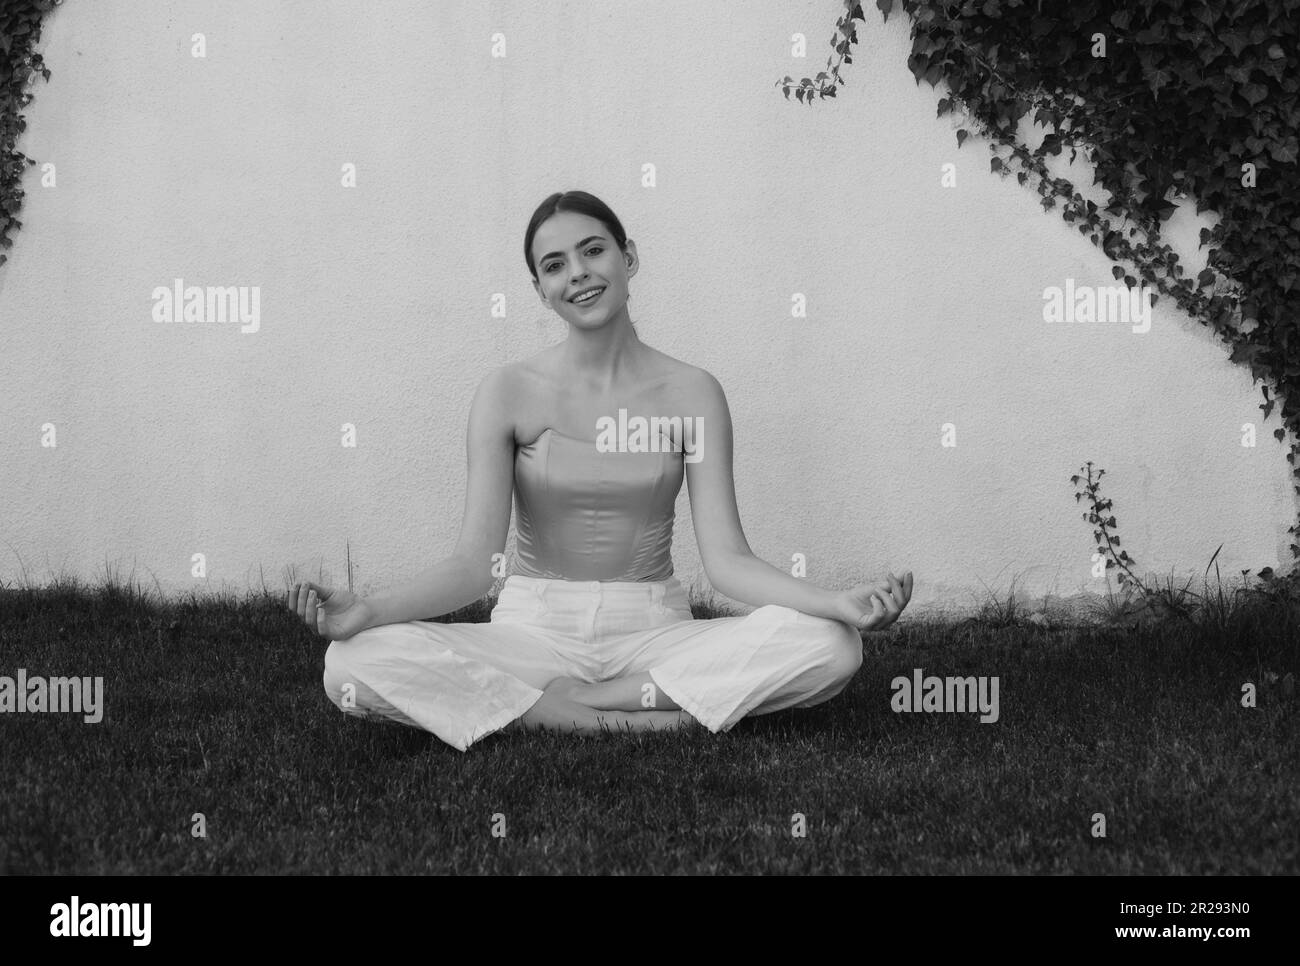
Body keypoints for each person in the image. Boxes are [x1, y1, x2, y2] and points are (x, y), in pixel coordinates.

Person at [286, 190, 913, 752]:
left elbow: (727, 562)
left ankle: (565, 707)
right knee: (350, 663)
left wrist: (834, 602)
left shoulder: (692, 392)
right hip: (533, 632)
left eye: (593, 251)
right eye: (554, 265)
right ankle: (656, 712)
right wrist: (368, 613)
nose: (578, 274)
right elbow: (474, 566)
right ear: (539, 289)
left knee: (834, 645)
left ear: (628, 258)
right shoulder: (507, 391)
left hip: (653, 633)